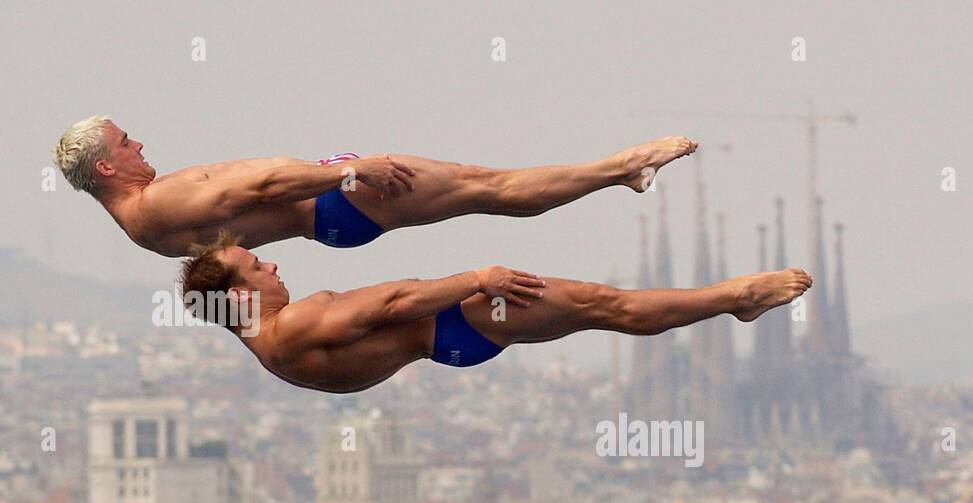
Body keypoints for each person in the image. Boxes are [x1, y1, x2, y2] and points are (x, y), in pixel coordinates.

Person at [177, 234, 813, 394]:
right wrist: (479, 279)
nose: (273, 267)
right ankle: (738, 299)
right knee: (605, 305)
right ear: (237, 296)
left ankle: (734, 302)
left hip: (448, 340)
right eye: (256, 268)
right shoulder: (295, 326)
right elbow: (396, 303)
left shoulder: (269, 351)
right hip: (461, 320)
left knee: (601, 311)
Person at [54, 115, 696, 257]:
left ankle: (620, 173)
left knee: (482, 194)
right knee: (487, 186)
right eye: (125, 143)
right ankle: (624, 169)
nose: (139, 144)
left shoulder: (142, 227)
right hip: (338, 195)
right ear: (106, 167)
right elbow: (262, 184)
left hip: (331, 209)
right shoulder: (158, 202)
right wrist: (347, 171)